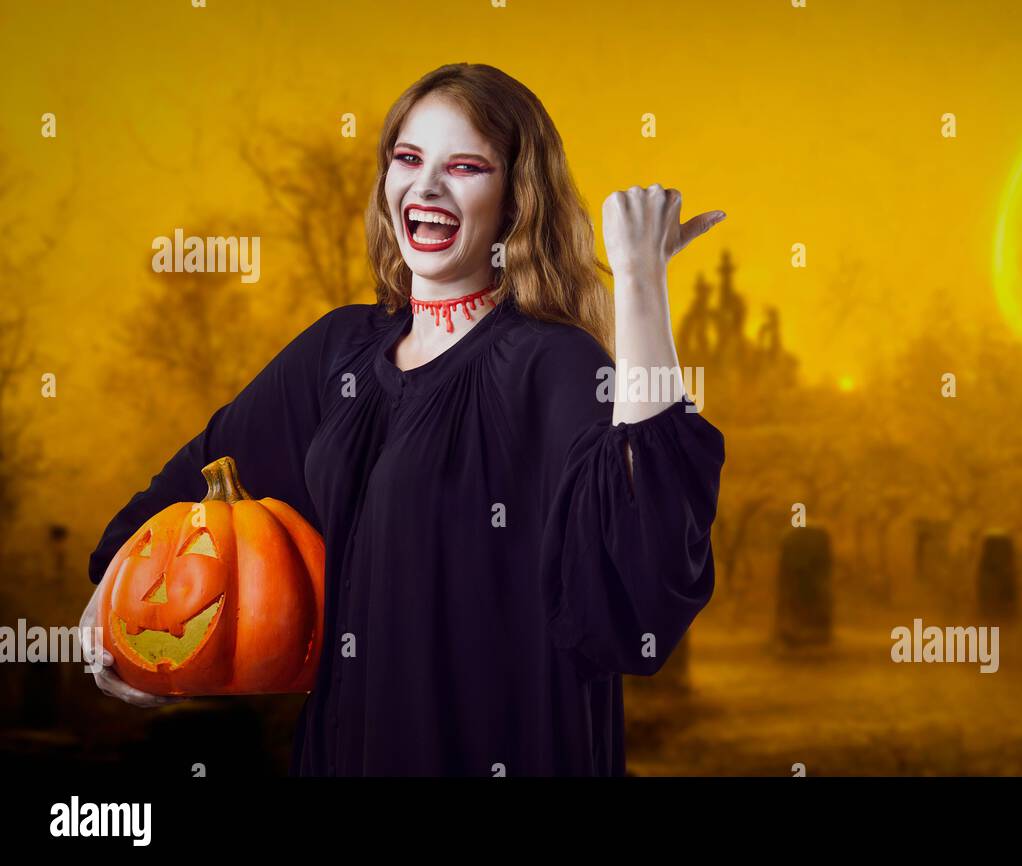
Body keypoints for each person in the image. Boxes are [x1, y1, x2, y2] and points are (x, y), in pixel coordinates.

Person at [80, 63, 727, 776]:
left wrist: (640, 282)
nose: (426, 186)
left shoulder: (552, 362)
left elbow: (641, 574)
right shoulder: (337, 353)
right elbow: (190, 490)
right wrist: (111, 603)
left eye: (466, 166)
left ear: (516, 200)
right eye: (408, 159)